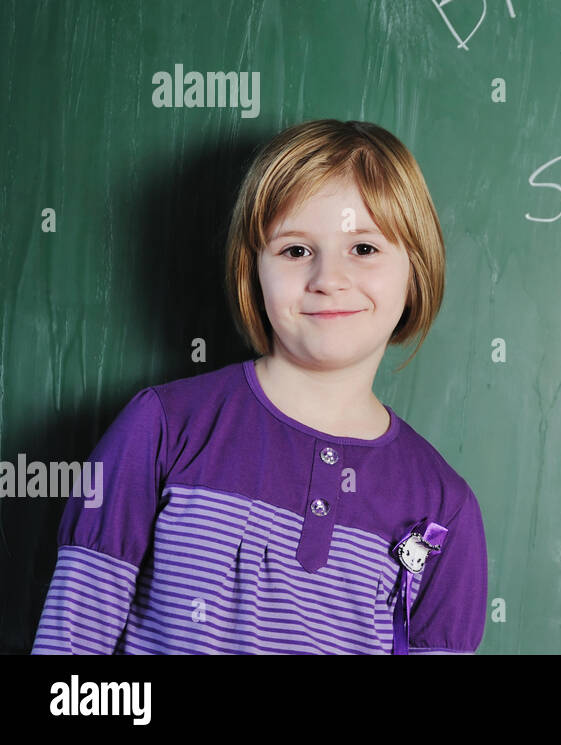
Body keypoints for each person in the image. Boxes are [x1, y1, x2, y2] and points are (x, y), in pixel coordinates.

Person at [31, 119, 487, 654]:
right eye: (295, 251)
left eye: (364, 248)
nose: (328, 278)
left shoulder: (444, 505)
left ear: (416, 269)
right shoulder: (162, 427)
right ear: (254, 270)